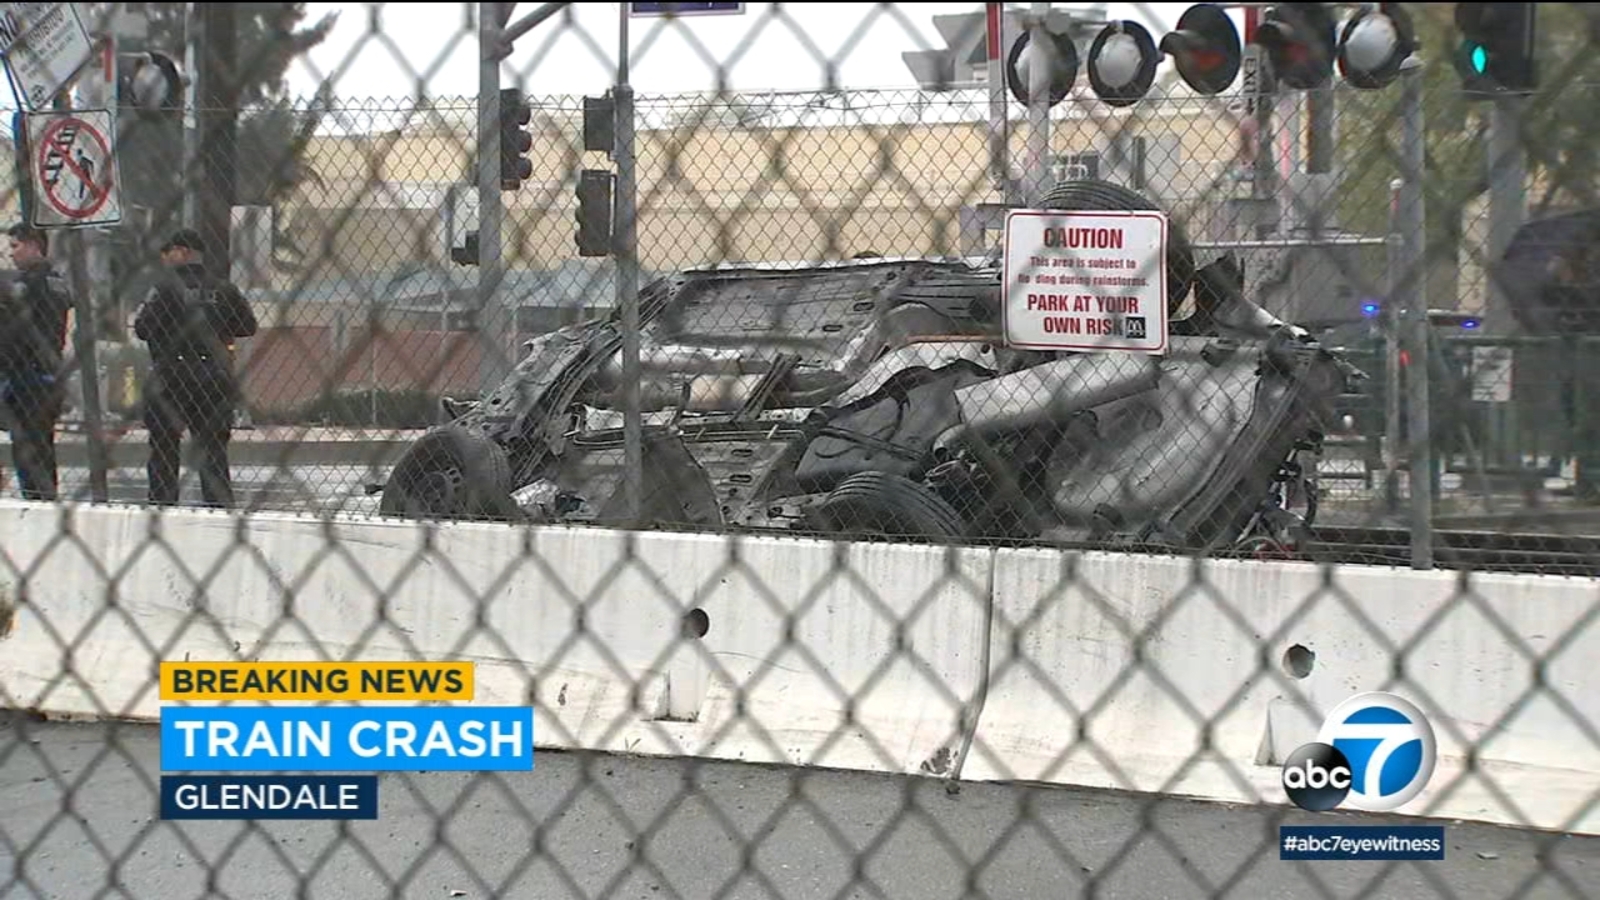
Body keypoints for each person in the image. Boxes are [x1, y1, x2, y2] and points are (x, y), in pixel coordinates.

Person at [134, 228, 258, 508]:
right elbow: (247, 326)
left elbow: (142, 329)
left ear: (184, 252)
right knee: (213, 451)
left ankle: (162, 509)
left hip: (171, 377)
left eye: (169, 252)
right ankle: (219, 511)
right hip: (214, 377)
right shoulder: (224, 289)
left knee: (164, 450)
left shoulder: (165, 288)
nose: (165, 258)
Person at [0, 223, 72, 500]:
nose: (11, 254)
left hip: (24, 375)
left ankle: (35, 499)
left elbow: (11, 331)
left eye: (15, 246)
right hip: (49, 374)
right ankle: (45, 498)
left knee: (26, 446)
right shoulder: (57, 281)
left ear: (33, 244)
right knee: (43, 444)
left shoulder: (27, 283)